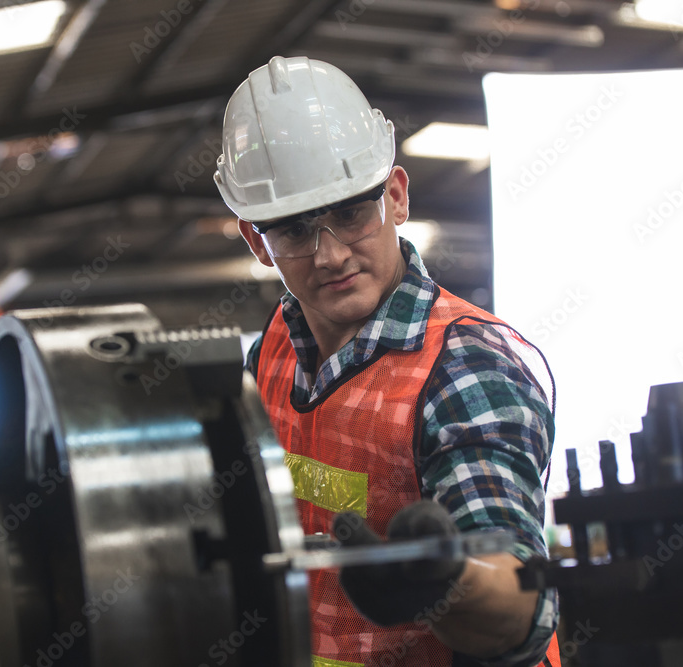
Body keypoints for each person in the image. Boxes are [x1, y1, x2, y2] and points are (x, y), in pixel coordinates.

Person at [214, 55, 560, 667]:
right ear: (256, 242)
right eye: (294, 231)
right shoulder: (269, 353)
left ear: (395, 197)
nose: (329, 256)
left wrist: (447, 580)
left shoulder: (466, 366)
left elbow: (522, 594)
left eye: (350, 213)